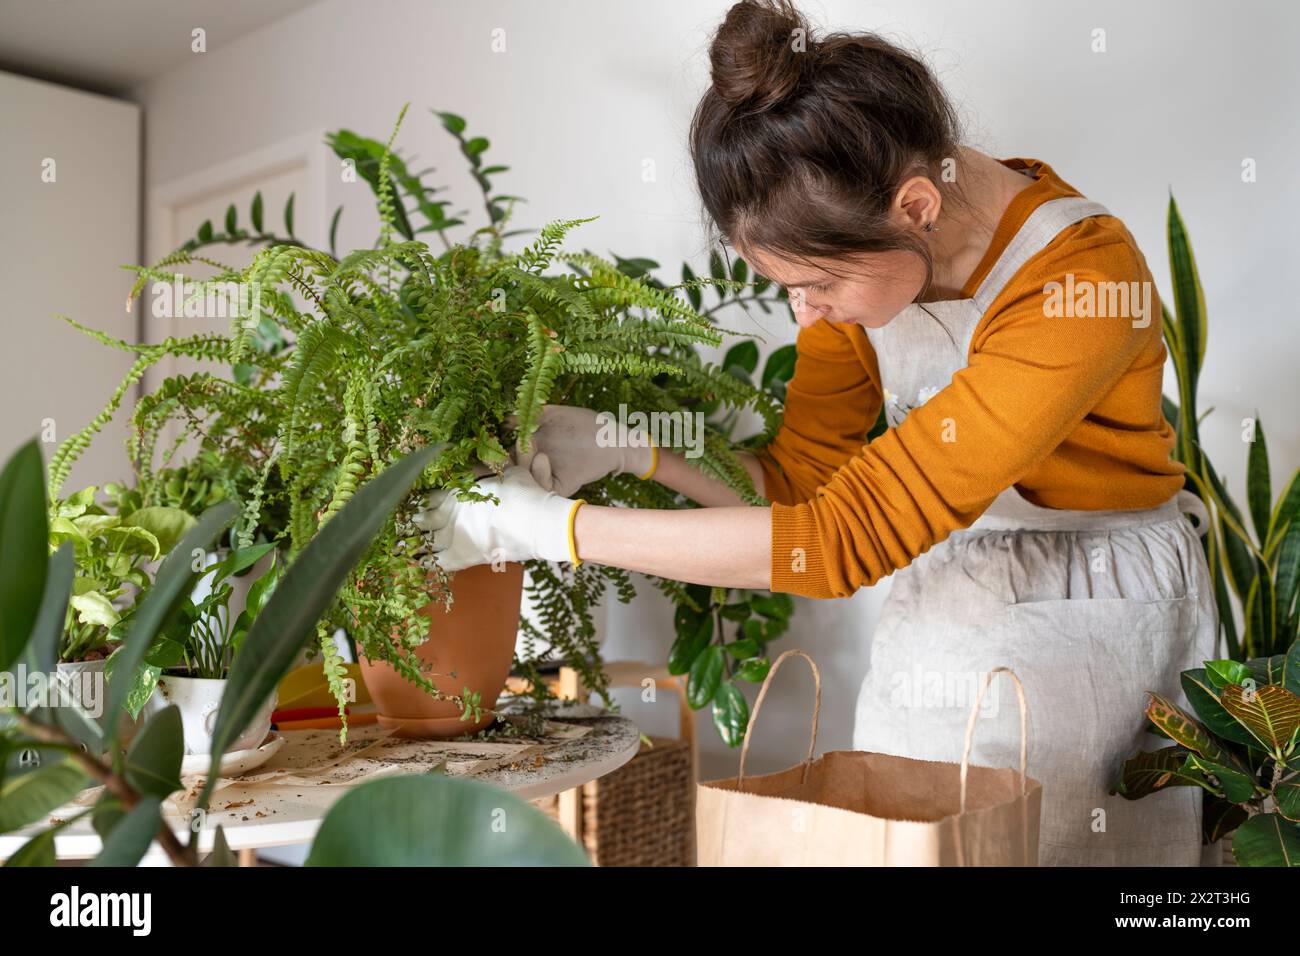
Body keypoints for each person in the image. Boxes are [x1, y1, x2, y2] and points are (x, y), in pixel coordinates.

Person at [416, 0, 1218, 866]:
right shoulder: (858, 255)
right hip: (945, 603)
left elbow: (840, 544)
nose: (807, 310)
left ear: (915, 206)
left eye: (814, 283)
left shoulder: (1080, 280)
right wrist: (631, 446)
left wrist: (546, 530)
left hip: (1091, 608)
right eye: (786, 286)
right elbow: (801, 486)